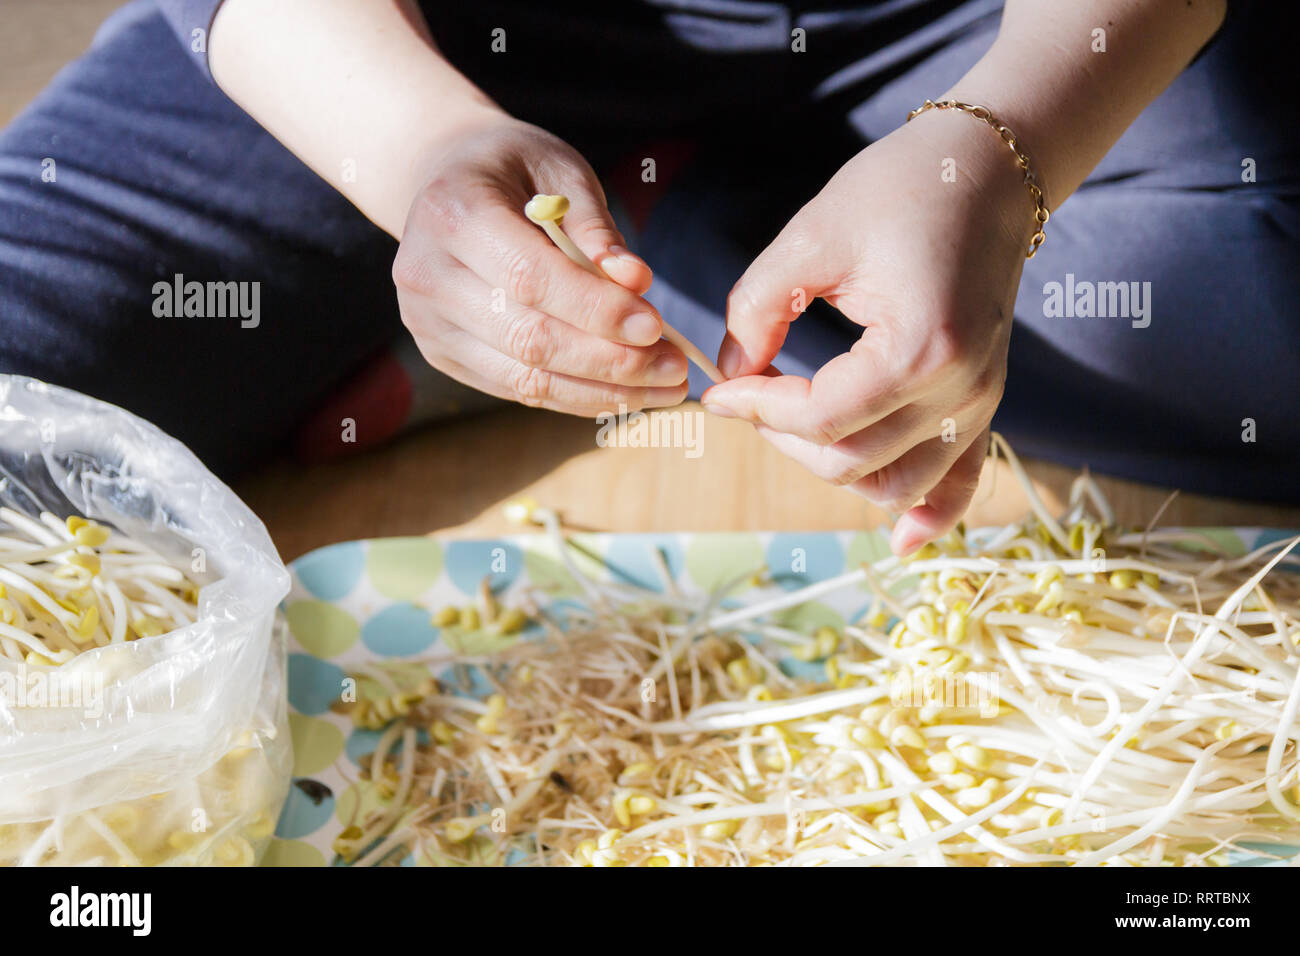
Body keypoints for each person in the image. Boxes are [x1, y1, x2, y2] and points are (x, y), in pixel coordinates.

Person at [1, 0, 1293, 555]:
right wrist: (423, 159)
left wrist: (1001, 153)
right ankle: (552, 255)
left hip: (978, 33)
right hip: (439, 43)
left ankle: (668, 242)